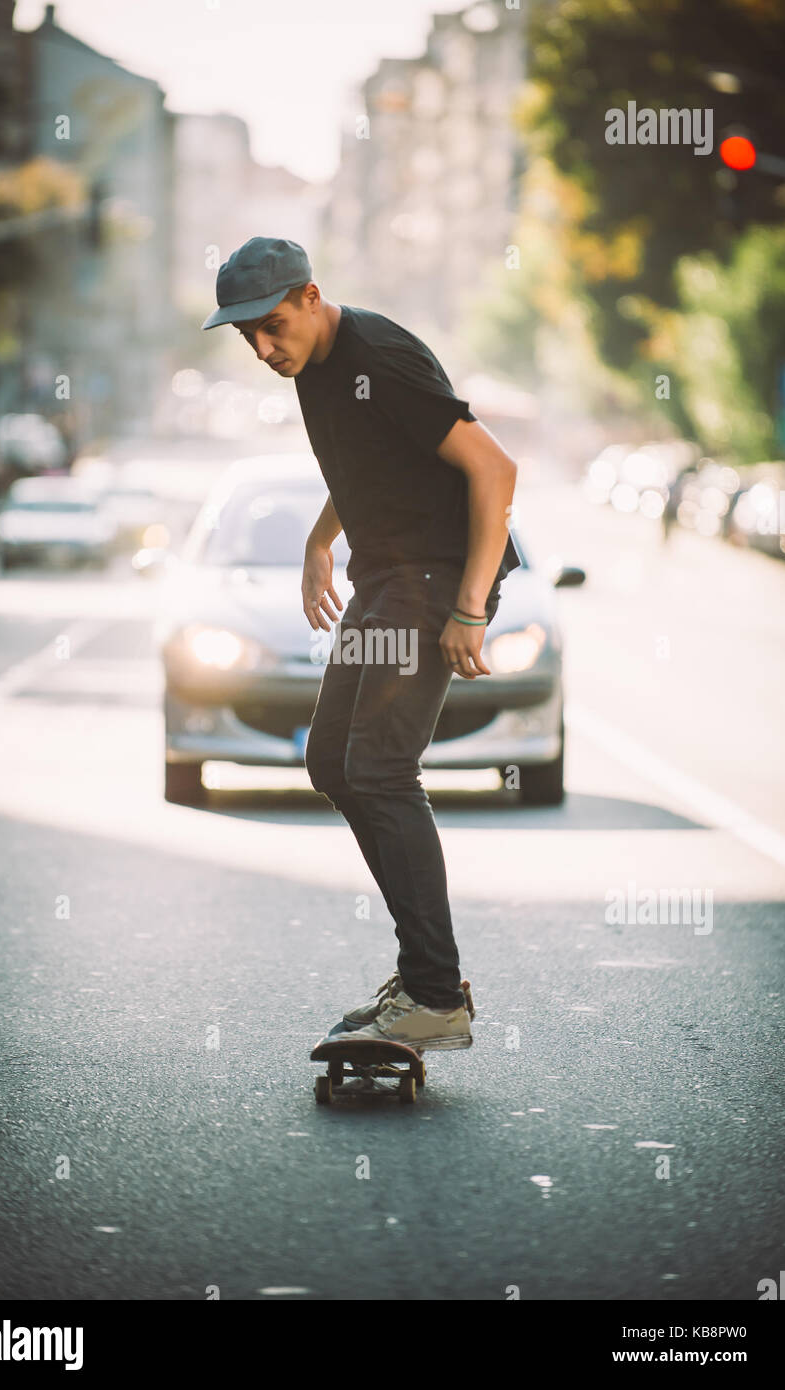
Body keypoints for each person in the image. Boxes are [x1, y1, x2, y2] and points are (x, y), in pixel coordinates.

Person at [203, 236, 520, 1050]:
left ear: (311, 296)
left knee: (378, 768)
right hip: (386, 577)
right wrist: (319, 539)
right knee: (331, 762)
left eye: (273, 325)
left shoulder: (377, 353)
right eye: (249, 338)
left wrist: (471, 607)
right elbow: (371, 465)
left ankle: (434, 995)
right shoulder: (313, 365)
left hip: (429, 581)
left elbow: (493, 469)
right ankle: (425, 980)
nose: (265, 349)